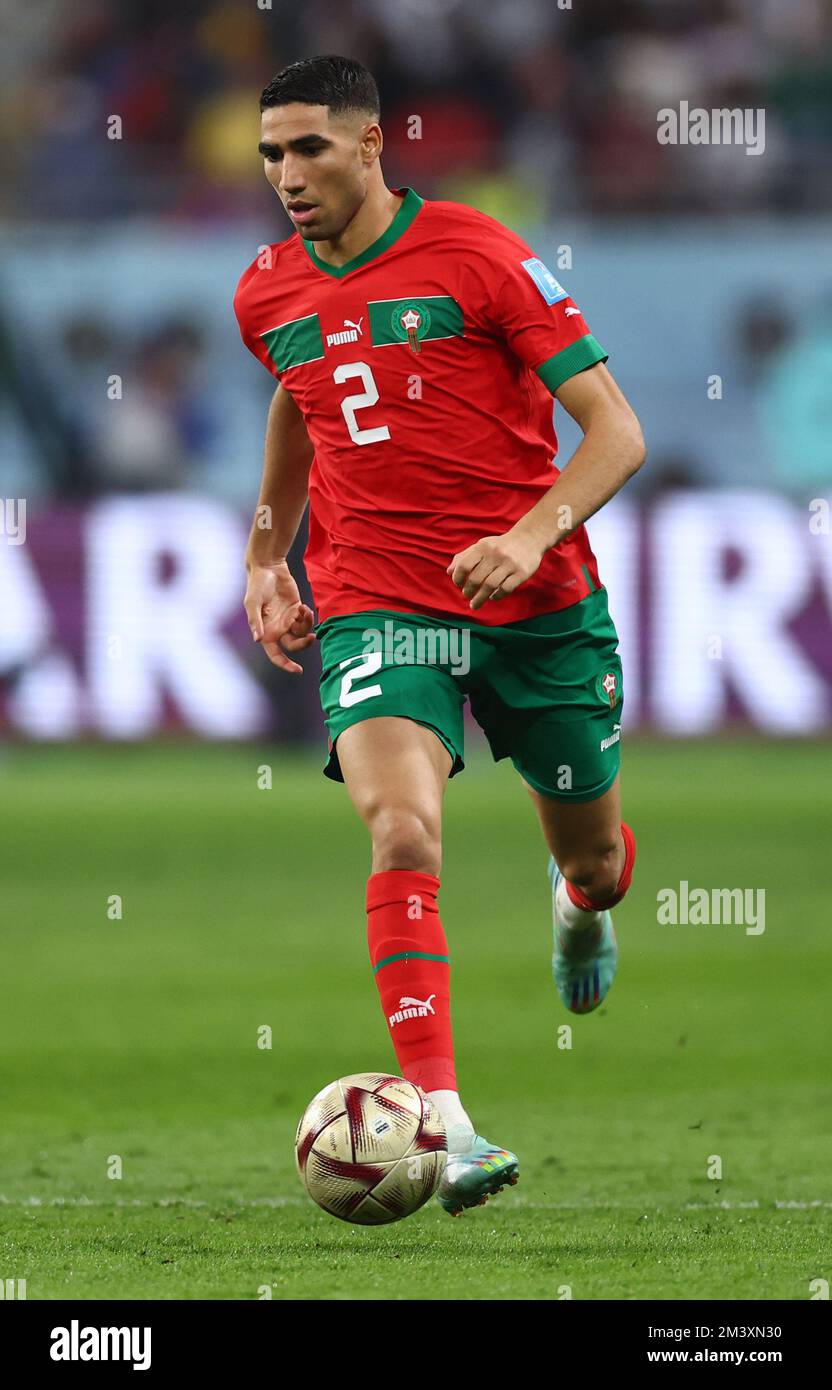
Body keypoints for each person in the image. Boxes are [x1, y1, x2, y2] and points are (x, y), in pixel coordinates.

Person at [234, 55, 645, 1216]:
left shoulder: (477, 251)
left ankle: (575, 907)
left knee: (598, 865)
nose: (287, 175)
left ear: (371, 143)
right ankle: (445, 1120)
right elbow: (301, 389)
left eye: (309, 147)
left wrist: (527, 534)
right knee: (402, 829)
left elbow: (617, 433)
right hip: (379, 598)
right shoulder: (265, 288)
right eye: (271, 154)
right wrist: (269, 552)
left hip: (536, 600)